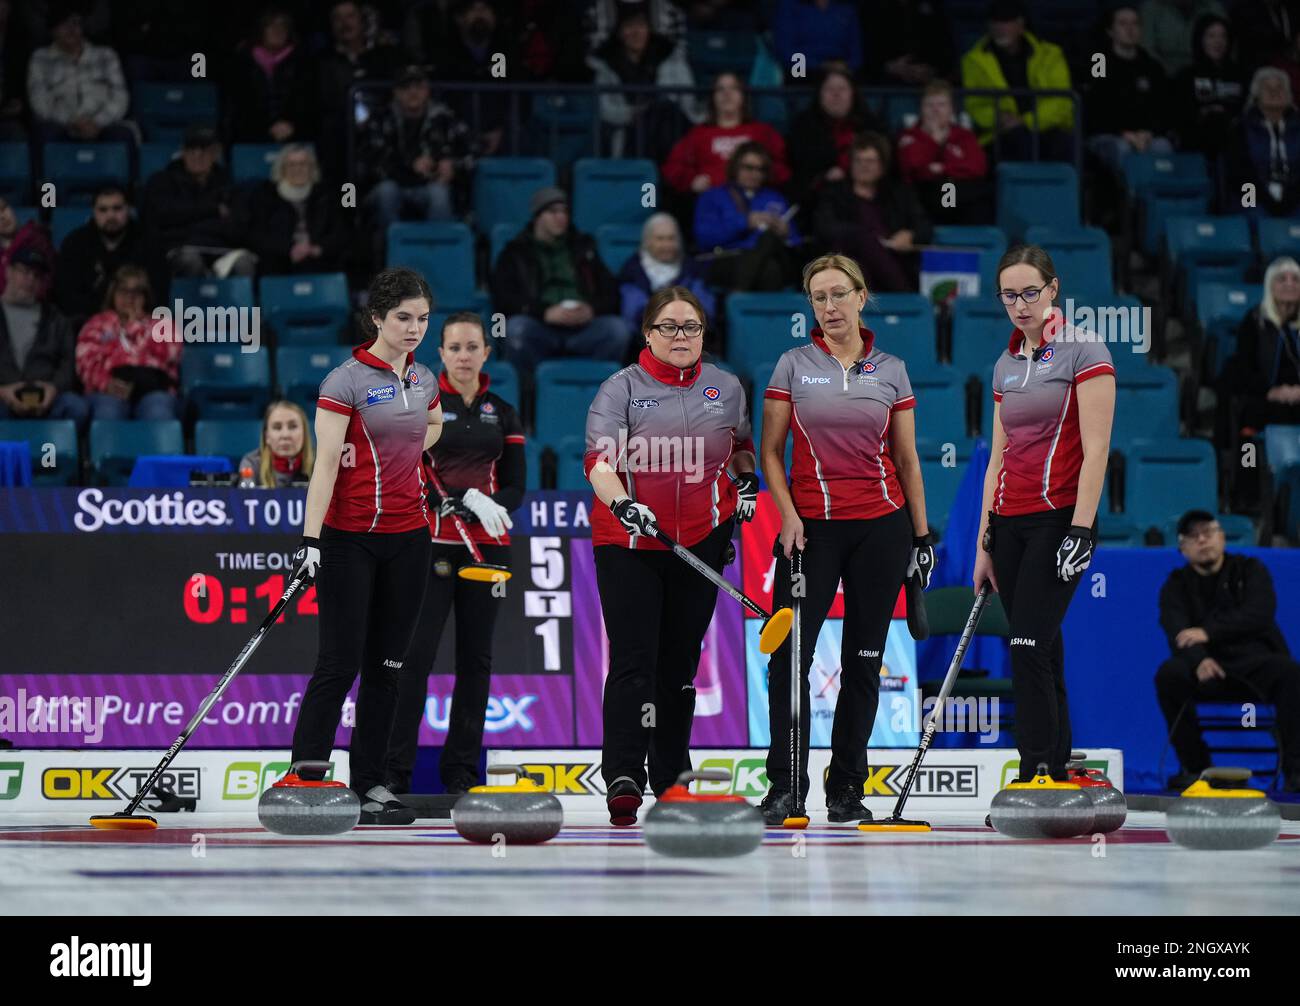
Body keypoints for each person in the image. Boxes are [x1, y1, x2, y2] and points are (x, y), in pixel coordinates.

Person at [758, 253, 933, 825]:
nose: (828, 307)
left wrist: (921, 535)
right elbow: (770, 453)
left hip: (882, 530)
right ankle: (785, 789)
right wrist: (785, 514)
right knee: (789, 662)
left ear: (861, 297)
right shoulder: (792, 364)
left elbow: (906, 459)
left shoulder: (893, 369)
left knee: (864, 660)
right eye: (817, 298)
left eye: (838, 295)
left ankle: (845, 790)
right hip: (810, 531)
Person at [584, 285, 757, 825]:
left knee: (680, 666)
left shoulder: (726, 387)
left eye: (691, 327)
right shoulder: (620, 390)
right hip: (631, 542)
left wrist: (746, 484)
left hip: (700, 543)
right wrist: (624, 505)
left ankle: (672, 775)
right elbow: (598, 464)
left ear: (705, 333)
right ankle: (623, 776)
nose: (681, 337)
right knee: (635, 660)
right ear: (648, 333)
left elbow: (742, 447)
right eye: (669, 327)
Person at [288, 267, 443, 826]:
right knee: (339, 661)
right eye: (403, 317)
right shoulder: (344, 381)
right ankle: (306, 774)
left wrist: (406, 458)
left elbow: (433, 428)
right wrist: (311, 541)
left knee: (389, 666)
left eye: (423, 319)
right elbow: (324, 463)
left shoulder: (425, 378)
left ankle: (371, 784)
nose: (414, 328)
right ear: (377, 317)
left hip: (410, 539)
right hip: (349, 539)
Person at [973, 244, 1115, 783]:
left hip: (1060, 521)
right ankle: (1054, 769)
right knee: (1043, 648)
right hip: (1009, 525)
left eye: (1030, 292)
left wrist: (1081, 527)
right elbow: (997, 460)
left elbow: (1098, 448)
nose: (1020, 303)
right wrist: (984, 541)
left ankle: (1034, 771)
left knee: (1026, 642)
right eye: (1009, 294)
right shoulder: (1005, 364)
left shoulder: (1084, 348)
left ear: (1053, 290)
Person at [387, 311, 526, 796]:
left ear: (486, 353)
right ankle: (394, 776)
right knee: (414, 658)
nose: (464, 356)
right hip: (429, 546)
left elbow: (516, 488)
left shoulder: (503, 412)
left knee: (476, 661)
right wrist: (436, 501)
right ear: (440, 354)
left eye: (473, 347)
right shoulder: (422, 405)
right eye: (455, 348)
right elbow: (403, 471)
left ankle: (461, 775)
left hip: (488, 549)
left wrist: (485, 503)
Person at [1156, 508, 1300, 792]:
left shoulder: (1250, 569)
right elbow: (1176, 630)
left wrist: (1207, 632)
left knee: (1290, 674)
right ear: (1182, 549)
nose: (1202, 540)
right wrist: (1200, 659)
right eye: (1193, 536)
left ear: (1222, 537)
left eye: (1208, 532)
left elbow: (1259, 614)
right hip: (1206, 669)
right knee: (1169, 675)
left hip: (1254, 663)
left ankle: (1296, 770)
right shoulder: (1175, 585)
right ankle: (1197, 769)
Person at [492, 186, 631, 370]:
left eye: (564, 211)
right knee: (517, 329)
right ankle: (530, 393)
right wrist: (545, 313)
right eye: (553, 212)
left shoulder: (584, 248)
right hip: (540, 327)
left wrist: (591, 310)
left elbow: (611, 292)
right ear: (537, 217)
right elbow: (505, 298)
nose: (561, 217)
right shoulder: (516, 252)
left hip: (584, 328)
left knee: (617, 331)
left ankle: (600, 392)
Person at [357, 65, 477, 262]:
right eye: (406, 87)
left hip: (431, 188)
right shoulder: (381, 119)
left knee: (438, 193)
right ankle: (393, 261)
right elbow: (371, 163)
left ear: (427, 90)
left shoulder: (445, 118)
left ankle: (439, 260)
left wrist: (453, 167)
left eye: (418, 87)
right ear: (396, 92)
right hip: (393, 186)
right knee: (387, 191)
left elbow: (474, 154)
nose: (413, 92)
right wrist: (409, 166)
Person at [814, 132, 934, 292]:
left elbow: (925, 226)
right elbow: (824, 228)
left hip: (895, 261)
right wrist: (866, 238)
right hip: (848, 265)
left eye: (870, 161)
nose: (864, 166)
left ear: (882, 166)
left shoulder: (899, 194)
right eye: (858, 161)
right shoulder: (834, 194)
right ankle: (904, 295)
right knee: (859, 249)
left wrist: (911, 235)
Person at [961, 0, 1075, 163]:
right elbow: (974, 105)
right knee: (1018, 141)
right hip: (1000, 133)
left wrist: (1025, 121)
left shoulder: (1050, 54)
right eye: (995, 23)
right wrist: (997, 117)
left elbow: (1062, 102)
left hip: (1046, 127)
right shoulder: (972, 60)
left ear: (1021, 24)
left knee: (1066, 144)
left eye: (1006, 22)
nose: (1000, 28)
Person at [142, 123, 257, 280]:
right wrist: (214, 210)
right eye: (191, 149)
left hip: (222, 250)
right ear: (182, 152)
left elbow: (239, 227)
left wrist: (188, 219)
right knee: (190, 260)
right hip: (180, 249)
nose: (197, 155)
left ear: (215, 153)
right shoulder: (162, 181)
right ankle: (191, 303)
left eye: (204, 149)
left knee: (244, 263)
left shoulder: (230, 185)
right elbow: (163, 217)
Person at [586, 3, 701, 159]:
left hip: (669, 127)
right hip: (630, 131)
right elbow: (606, 110)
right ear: (620, 33)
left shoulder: (669, 58)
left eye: (641, 26)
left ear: (649, 30)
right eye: (629, 27)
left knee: (665, 110)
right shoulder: (607, 66)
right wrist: (634, 113)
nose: (636, 32)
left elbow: (686, 101)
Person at [662, 72, 791, 197]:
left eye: (734, 88)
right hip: (713, 201)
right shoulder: (699, 133)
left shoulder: (762, 131)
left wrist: (763, 178)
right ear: (713, 97)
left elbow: (782, 168)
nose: (726, 93)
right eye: (720, 89)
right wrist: (691, 181)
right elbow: (673, 167)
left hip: (756, 198)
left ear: (743, 96)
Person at [74, 265, 178, 421]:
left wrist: (134, 326)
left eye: (136, 292)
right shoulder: (97, 324)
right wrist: (106, 384)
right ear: (113, 294)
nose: (129, 298)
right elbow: (85, 364)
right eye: (123, 291)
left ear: (145, 296)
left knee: (158, 410)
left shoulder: (162, 324)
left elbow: (167, 356)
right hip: (107, 392)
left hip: (152, 391)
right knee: (109, 411)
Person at [694, 142, 801, 292]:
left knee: (770, 241)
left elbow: (796, 241)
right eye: (749, 168)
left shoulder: (775, 197)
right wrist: (745, 222)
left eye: (761, 169)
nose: (755, 174)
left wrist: (787, 233)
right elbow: (704, 238)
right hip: (727, 259)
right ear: (735, 167)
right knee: (770, 270)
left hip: (774, 258)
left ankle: (739, 293)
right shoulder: (713, 196)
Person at [0, 246, 87, 428]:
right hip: (2, 396)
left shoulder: (56, 319)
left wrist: (53, 389)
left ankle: (54, 454)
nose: (30, 280)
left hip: (47, 398)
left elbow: (67, 363)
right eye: (24, 272)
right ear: (8, 272)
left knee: (76, 407)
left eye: (36, 276)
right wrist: (2, 392)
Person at [317, 0, 405, 179]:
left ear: (363, 21)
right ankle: (347, 204)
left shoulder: (386, 57)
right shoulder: (322, 61)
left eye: (350, 16)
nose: (345, 24)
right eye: (338, 19)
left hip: (381, 142)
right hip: (341, 146)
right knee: (347, 194)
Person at [1083, 4, 1174, 176]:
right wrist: (1124, 134)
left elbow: (1162, 108)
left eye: (1135, 24)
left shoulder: (1151, 66)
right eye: (1123, 24)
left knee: (1162, 147)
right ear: (1110, 31)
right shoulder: (1099, 61)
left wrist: (1148, 133)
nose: (1130, 29)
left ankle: (1157, 199)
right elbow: (1096, 106)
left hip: (1146, 136)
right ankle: (1129, 199)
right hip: (1109, 135)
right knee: (1123, 149)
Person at [26, 4, 134, 148]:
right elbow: (39, 101)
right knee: (45, 133)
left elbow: (120, 97)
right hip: (62, 125)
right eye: (64, 24)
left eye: (76, 23)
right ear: (53, 29)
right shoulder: (40, 58)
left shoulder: (106, 55)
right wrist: (71, 121)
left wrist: (97, 122)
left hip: (102, 125)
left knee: (123, 135)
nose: (71, 29)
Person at [787, 62, 887, 210]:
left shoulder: (872, 125)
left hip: (870, 195)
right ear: (820, 94)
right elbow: (799, 171)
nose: (836, 94)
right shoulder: (803, 126)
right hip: (819, 201)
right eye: (829, 89)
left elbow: (886, 164)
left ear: (853, 93)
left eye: (842, 89)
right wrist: (823, 177)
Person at [1220, 255, 1300, 435]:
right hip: (1265, 396)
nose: (1290, 284)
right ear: (1270, 286)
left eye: (1295, 279)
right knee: (1259, 412)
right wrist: (1271, 391)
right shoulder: (1255, 321)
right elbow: (1245, 366)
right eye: (1282, 279)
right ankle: (1249, 462)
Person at [242, 144, 351, 276]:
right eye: (292, 165)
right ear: (282, 169)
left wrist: (317, 249)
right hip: (279, 260)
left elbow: (340, 233)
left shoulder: (325, 195)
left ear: (312, 168)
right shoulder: (265, 195)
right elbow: (256, 235)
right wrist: (290, 249)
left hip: (319, 260)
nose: (298, 169)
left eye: (303, 164)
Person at [897, 79, 991, 225]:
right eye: (929, 105)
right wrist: (934, 142)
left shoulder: (964, 136)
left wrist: (942, 168)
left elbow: (977, 168)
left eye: (941, 105)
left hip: (960, 197)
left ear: (951, 109)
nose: (935, 110)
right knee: (943, 188)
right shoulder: (910, 136)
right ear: (921, 109)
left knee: (974, 193)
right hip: (922, 197)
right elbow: (912, 169)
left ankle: (971, 240)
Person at [54, 184, 150, 326]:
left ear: (128, 210)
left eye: (117, 208)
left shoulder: (148, 243)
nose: (110, 215)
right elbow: (65, 295)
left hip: (137, 323)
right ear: (94, 212)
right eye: (103, 210)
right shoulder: (74, 243)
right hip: (86, 324)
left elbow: (155, 294)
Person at [225, 7, 315, 144]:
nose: (277, 30)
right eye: (271, 25)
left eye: (282, 25)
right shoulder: (242, 62)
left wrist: (291, 124)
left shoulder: (303, 62)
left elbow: (307, 103)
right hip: (251, 135)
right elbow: (238, 105)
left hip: (294, 135)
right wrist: (267, 127)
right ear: (261, 30)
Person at [616, 212, 715, 337]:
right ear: (648, 241)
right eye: (660, 239)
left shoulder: (693, 269)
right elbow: (632, 314)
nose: (666, 245)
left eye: (671, 238)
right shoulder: (633, 270)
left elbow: (705, 312)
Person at [1225, 67, 1300, 217]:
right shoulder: (1240, 127)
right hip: (1251, 193)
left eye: (1280, 88)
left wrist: (1290, 199)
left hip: (1294, 195)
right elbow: (1241, 174)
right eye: (1267, 88)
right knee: (1251, 212)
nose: (1274, 92)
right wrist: (1266, 201)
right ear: (1256, 95)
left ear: (1289, 95)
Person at [1172, 14, 1244, 160]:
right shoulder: (1186, 75)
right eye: (1211, 36)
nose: (1218, 42)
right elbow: (1180, 114)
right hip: (1198, 135)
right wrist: (1204, 112)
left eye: (1223, 36)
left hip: (1235, 132)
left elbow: (1247, 108)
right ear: (1200, 40)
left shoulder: (1241, 74)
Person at [866, 0, 957, 88]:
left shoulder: (934, 6)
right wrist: (890, 67)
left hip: (928, 82)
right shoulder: (875, 7)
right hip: (886, 84)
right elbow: (868, 56)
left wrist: (930, 70)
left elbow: (946, 51)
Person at [772, 0, 864, 76]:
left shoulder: (846, 8)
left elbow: (856, 52)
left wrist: (848, 66)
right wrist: (820, 66)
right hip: (801, 74)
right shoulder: (789, 6)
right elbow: (784, 51)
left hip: (841, 74)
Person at [240, 399, 314, 488]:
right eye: (277, 427)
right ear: (267, 436)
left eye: (293, 426)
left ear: (304, 433)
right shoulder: (252, 463)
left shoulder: (320, 463)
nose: (285, 435)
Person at [1141, 0, 1226, 76]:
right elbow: (1147, 49)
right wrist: (1171, 73)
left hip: (1205, 74)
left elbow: (1228, 44)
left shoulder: (1212, 7)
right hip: (1163, 75)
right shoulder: (1152, 8)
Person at [0, 197, 55, 301]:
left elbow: (46, 282)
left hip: (34, 308)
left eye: (3, 209)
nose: (2, 217)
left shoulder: (36, 239)